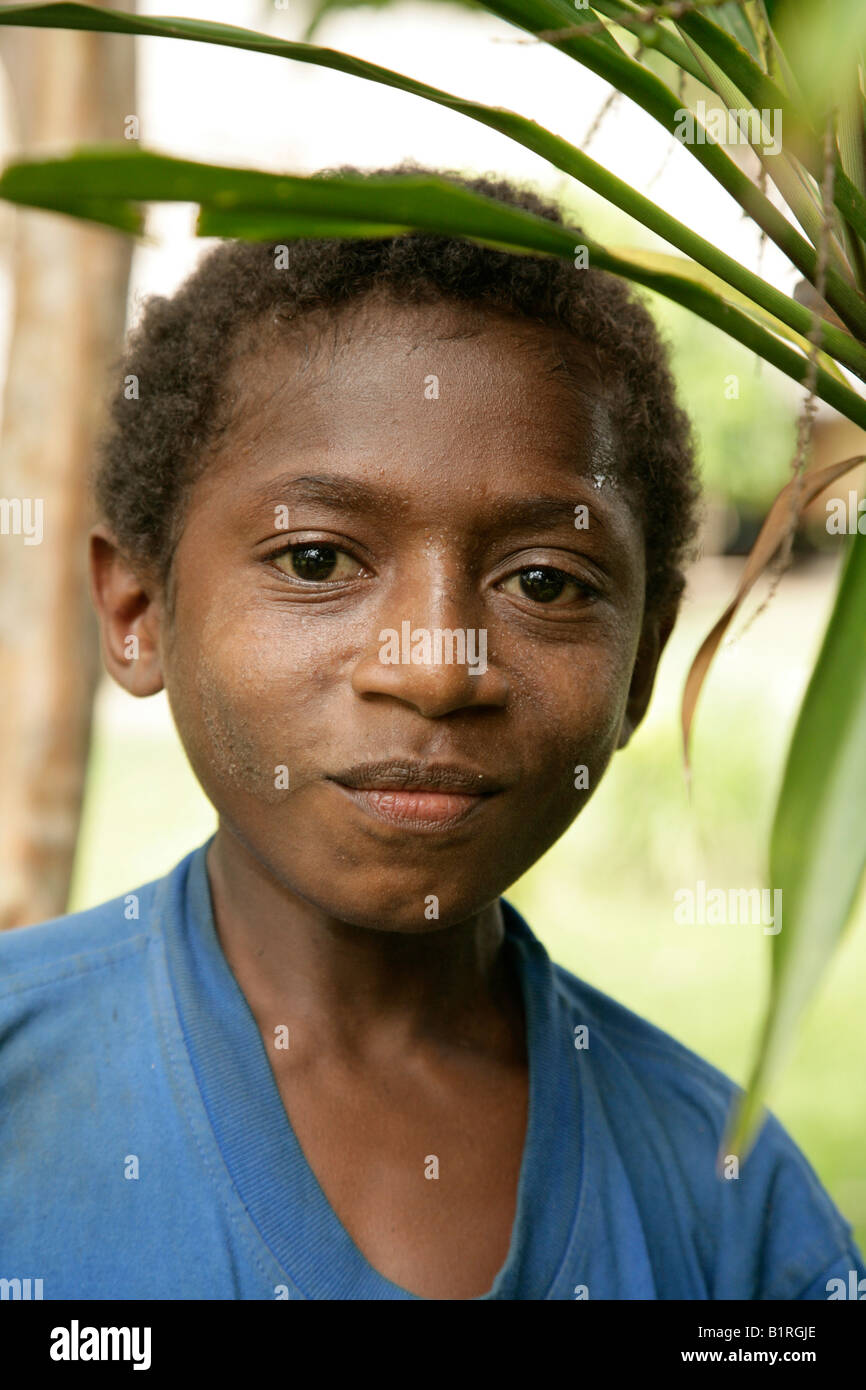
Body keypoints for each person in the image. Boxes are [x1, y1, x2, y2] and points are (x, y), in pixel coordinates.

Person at [1, 166, 862, 1301]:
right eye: (316, 560)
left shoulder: (730, 1216)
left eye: (545, 582)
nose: (435, 669)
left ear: (643, 658)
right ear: (137, 612)